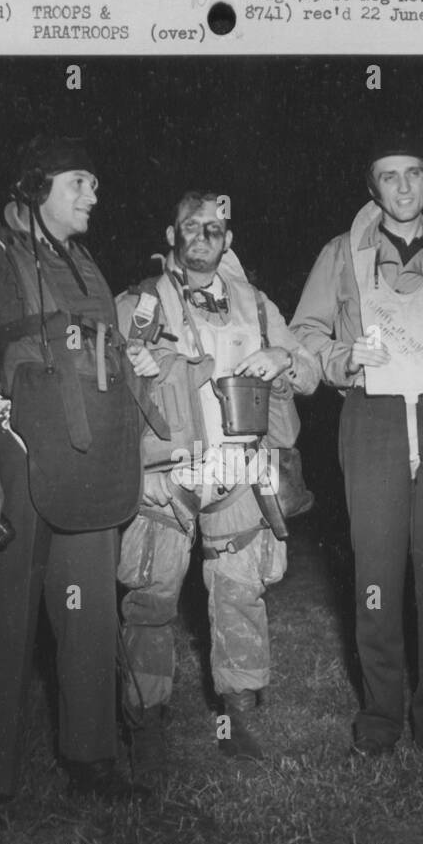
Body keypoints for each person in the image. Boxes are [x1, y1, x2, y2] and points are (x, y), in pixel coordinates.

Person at [0, 135, 156, 828]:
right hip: (14, 457)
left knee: (92, 611)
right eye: (80, 183)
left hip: (85, 464)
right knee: (4, 616)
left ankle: (92, 761)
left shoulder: (86, 264)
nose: (94, 196)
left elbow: (103, 364)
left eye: (94, 183)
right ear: (37, 190)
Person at [288, 134, 423, 757]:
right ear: (372, 187)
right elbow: (303, 332)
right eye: (390, 176)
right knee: (376, 573)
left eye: (414, 174)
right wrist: (339, 357)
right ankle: (381, 715)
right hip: (373, 419)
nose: (404, 187)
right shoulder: (339, 255)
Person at [114, 192, 320, 778]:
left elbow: (308, 372)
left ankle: (236, 715)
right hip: (168, 478)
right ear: (172, 235)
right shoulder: (139, 303)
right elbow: (109, 389)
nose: (202, 236)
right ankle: (146, 723)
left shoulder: (256, 306)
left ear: (228, 238)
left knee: (238, 596)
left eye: (214, 228)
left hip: (242, 474)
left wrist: (282, 357)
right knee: (151, 601)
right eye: (190, 227)